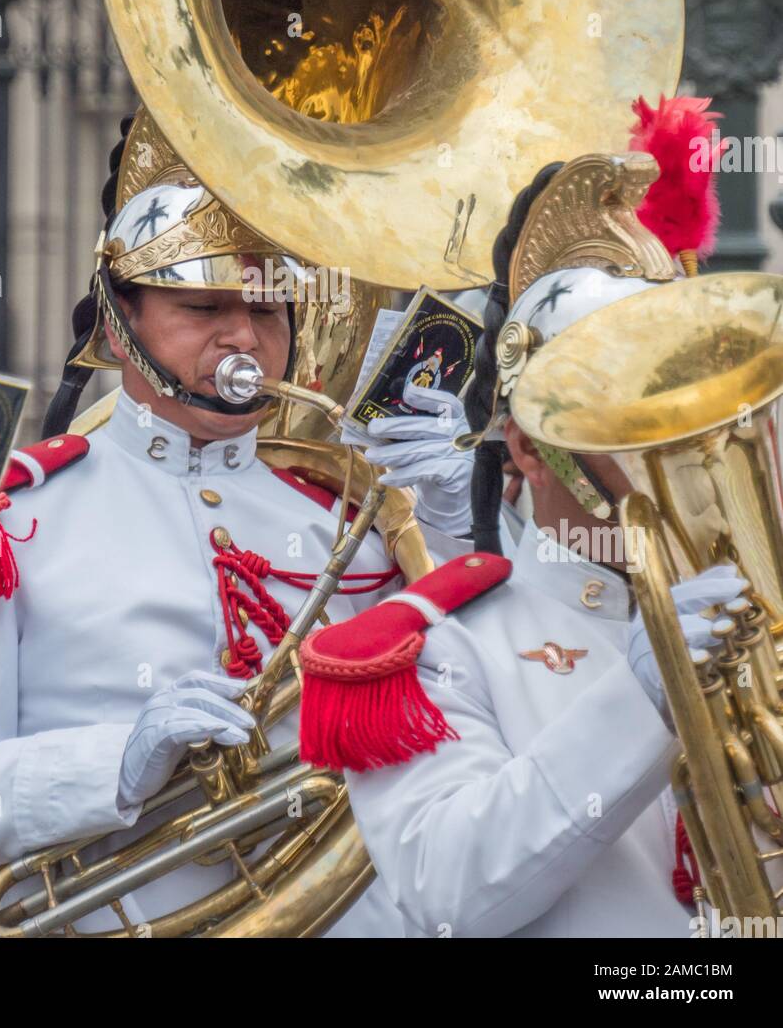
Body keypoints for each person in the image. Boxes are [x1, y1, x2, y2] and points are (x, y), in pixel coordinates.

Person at [0, 109, 476, 937]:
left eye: (267, 310)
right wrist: (118, 760)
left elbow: (479, 719)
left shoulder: (353, 516)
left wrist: (458, 522)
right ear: (119, 326)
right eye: (202, 307)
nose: (244, 338)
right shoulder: (7, 520)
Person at [298, 136, 747, 938]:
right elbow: (453, 892)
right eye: (624, 417)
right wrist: (644, 693)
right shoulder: (434, 645)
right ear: (531, 447)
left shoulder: (755, 615)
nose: (671, 441)